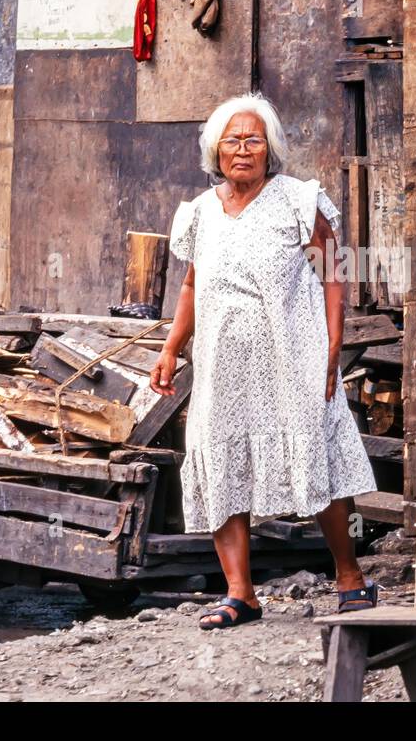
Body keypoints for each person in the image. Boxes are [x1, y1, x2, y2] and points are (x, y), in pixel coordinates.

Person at [151, 93, 378, 629]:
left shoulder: (298, 201)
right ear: (215, 150)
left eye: (254, 139)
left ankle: (349, 577)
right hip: (219, 366)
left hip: (292, 354)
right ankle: (240, 593)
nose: (243, 149)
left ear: (269, 148)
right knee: (218, 454)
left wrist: (333, 343)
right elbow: (190, 284)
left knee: (313, 449)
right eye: (233, 140)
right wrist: (170, 347)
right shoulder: (201, 212)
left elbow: (333, 270)